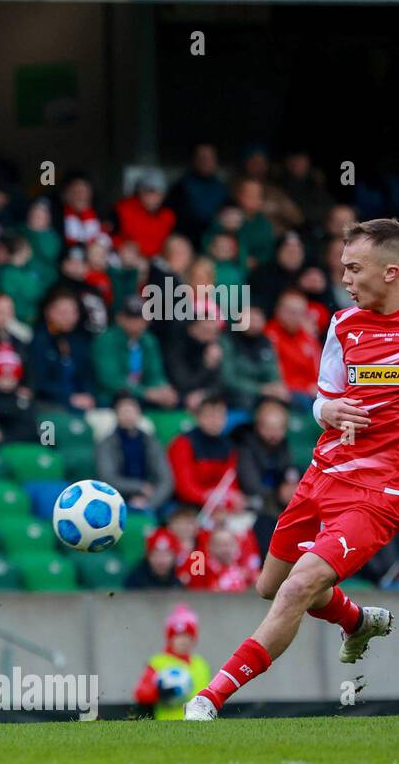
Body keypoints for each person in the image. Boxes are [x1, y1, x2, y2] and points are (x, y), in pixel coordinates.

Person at [186, 219, 399, 720]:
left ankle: (208, 699)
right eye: (342, 267)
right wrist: (325, 411)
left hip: (377, 493)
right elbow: (322, 397)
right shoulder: (344, 324)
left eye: (353, 268)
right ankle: (355, 619)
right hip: (322, 473)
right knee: (270, 585)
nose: (344, 278)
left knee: (299, 586)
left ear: (391, 272)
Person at [132, 605, 211, 720]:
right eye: (178, 636)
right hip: (168, 725)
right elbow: (140, 694)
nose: (183, 640)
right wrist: (160, 692)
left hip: (199, 725)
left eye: (187, 636)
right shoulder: (158, 662)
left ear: (194, 639)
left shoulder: (201, 664)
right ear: (170, 639)